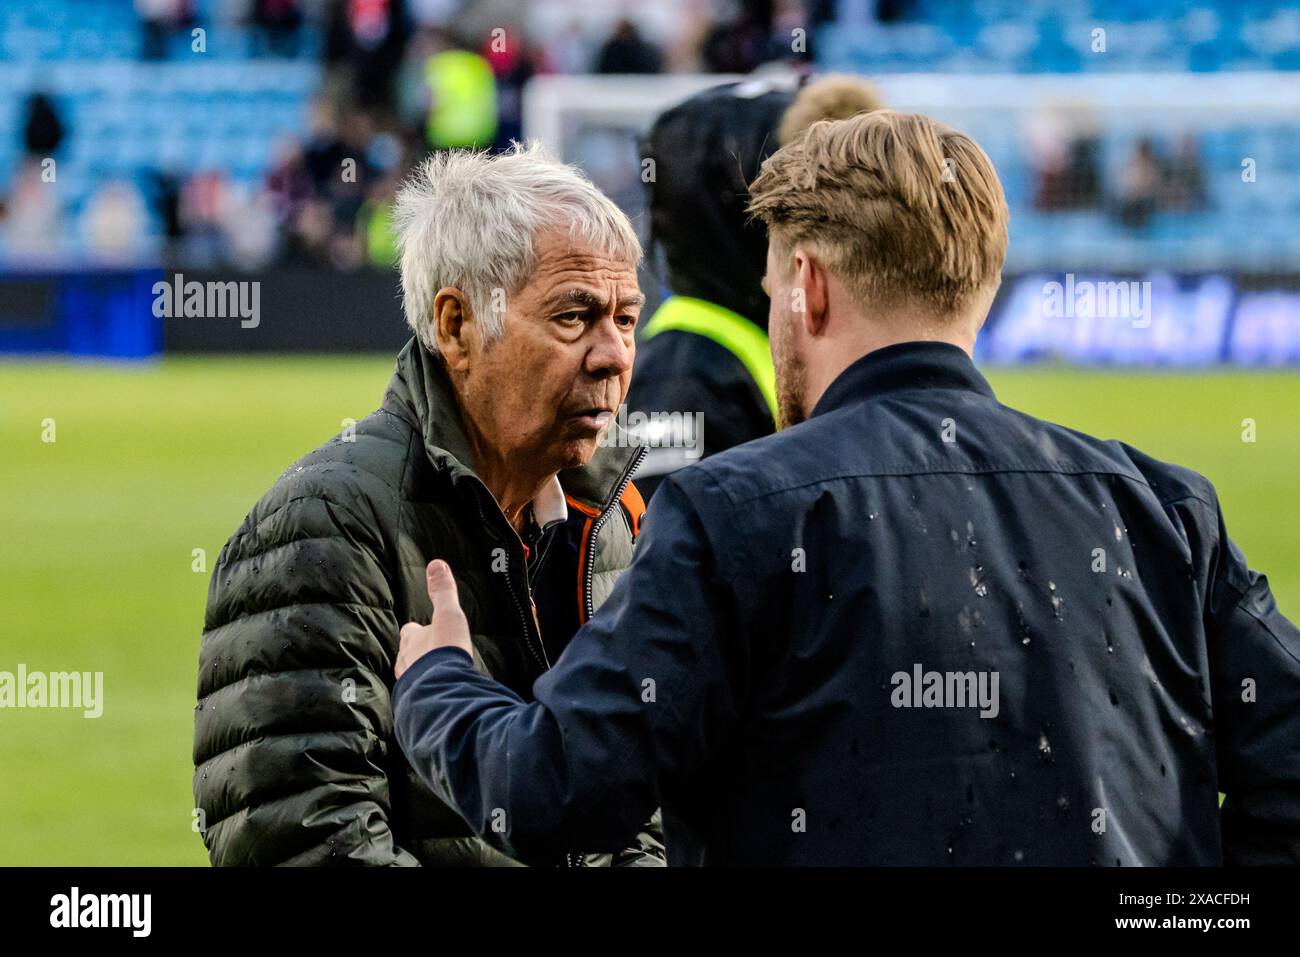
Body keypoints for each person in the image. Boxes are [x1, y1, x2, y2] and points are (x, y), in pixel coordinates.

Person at [392, 110, 1300, 866]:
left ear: (808, 288)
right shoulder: (1164, 510)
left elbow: (552, 791)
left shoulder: (730, 514)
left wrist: (437, 681)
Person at [193, 144, 664, 867]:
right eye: (575, 316)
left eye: (626, 320)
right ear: (457, 326)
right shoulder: (323, 526)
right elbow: (304, 842)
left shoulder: (612, 524)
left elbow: (639, 817)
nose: (613, 356)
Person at [628, 75, 882, 497]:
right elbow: (662, 551)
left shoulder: (763, 334)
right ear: (746, 209)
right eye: (797, 192)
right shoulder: (682, 377)